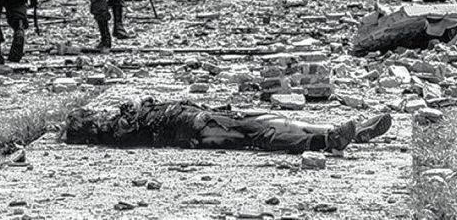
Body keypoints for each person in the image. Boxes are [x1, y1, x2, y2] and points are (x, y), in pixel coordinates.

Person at [64, 97, 393, 153]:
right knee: (261, 134)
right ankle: (326, 140)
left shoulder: (115, 127)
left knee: (266, 122)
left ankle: (337, 133)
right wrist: (134, 107)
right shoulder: (114, 131)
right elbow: (136, 120)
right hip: (195, 128)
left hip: (198, 120)